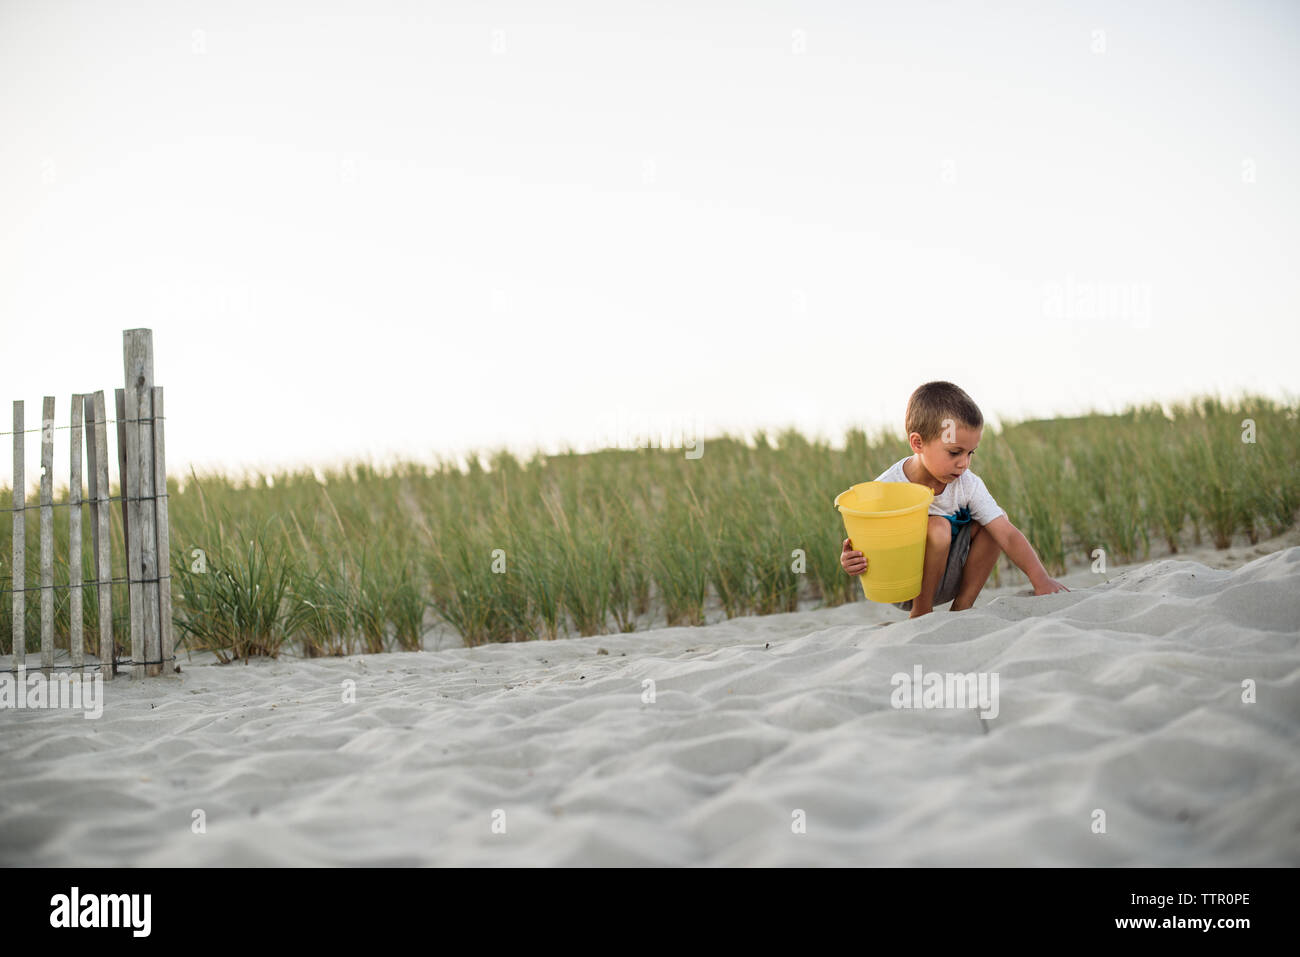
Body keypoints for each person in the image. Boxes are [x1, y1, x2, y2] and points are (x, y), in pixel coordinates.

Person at [840, 381, 1069, 618]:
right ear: (918, 443)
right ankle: (921, 613)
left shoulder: (967, 484)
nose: (964, 463)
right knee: (937, 526)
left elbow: (1008, 534)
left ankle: (961, 609)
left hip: (948, 578)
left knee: (995, 522)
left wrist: (1040, 579)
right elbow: (864, 541)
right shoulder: (886, 487)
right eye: (954, 452)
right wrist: (849, 559)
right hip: (903, 585)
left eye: (970, 453)